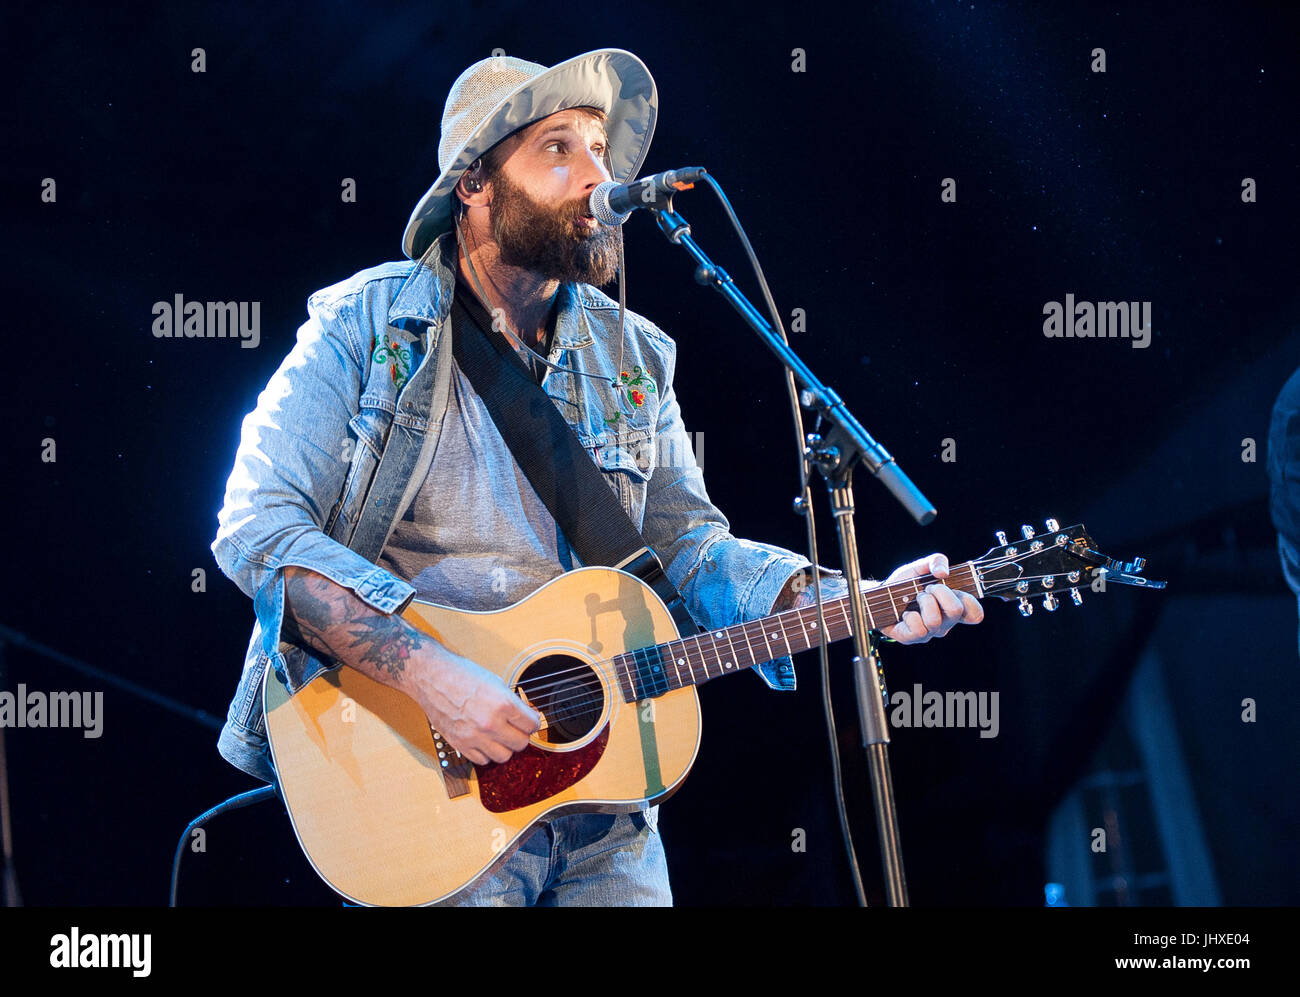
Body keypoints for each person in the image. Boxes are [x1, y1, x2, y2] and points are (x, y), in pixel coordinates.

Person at [209, 48, 983, 906]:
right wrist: (433, 675)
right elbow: (257, 528)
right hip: (423, 790)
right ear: (474, 185)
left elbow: (690, 546)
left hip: (603, 799)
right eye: (559, 149)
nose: (598, 176)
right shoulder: (364, 325)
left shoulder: (636, 357)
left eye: (602, 152)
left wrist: (851, 595)